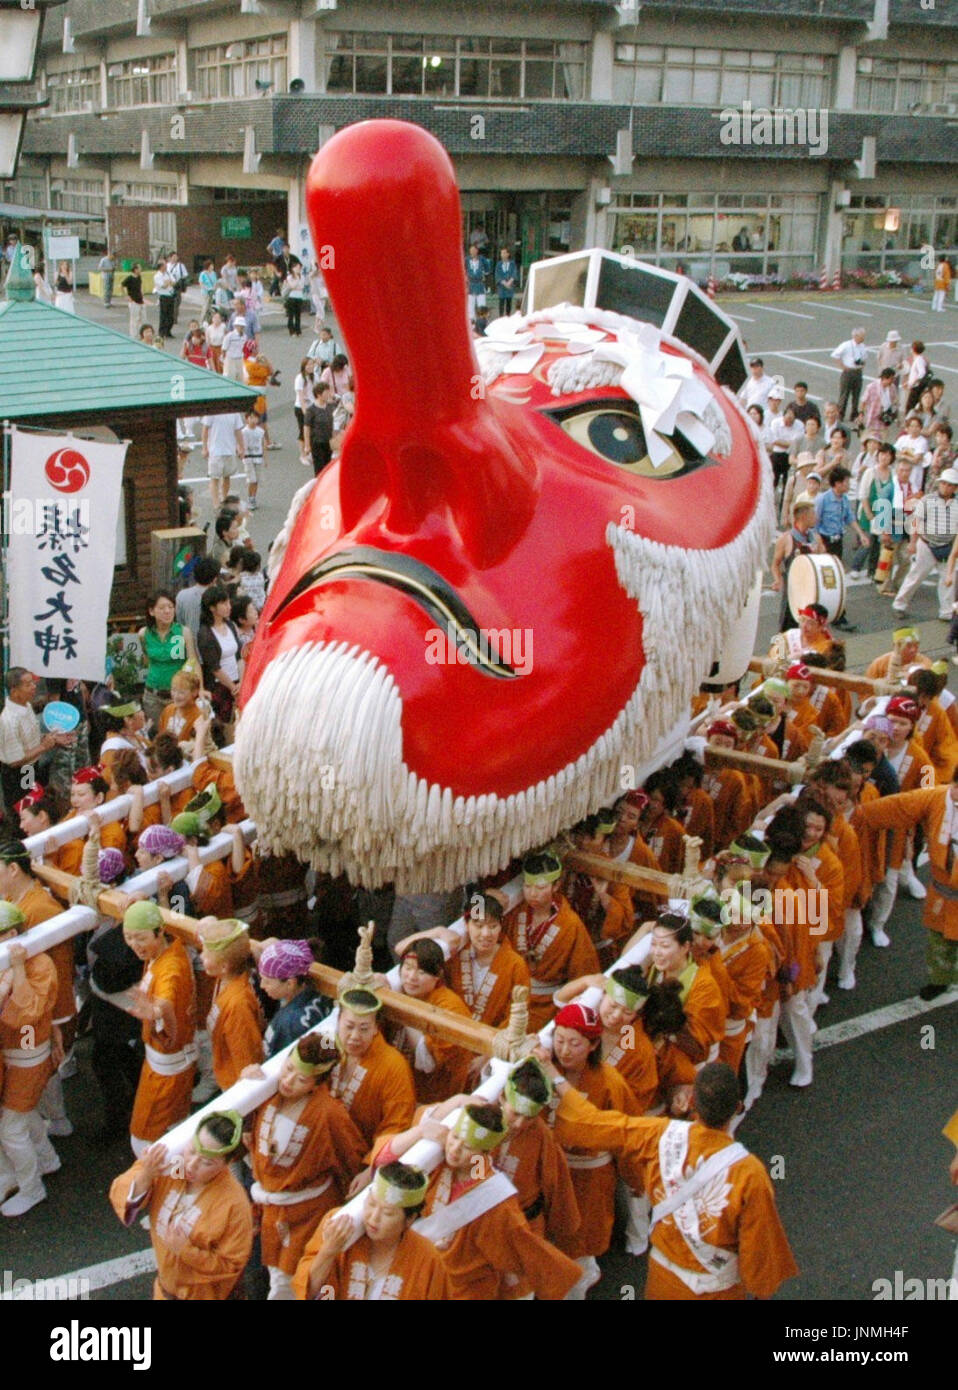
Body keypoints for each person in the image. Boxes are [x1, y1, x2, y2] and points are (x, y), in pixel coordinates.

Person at [541, 1057, 798, 1300]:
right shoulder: (750, 1173)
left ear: (691, 1102)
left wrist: (552, 1073)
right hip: (717, 1286)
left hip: (664, 1277)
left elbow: (591, 1122)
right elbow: (760, 1250)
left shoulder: (659, 1134)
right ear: (736, 1108)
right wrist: (759, 1285)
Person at [247, 1035, 366, 1299]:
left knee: (289, 1282)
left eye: (301, 1079)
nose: (288, 1081)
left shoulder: (329, 1113)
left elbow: (352, 1159)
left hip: (307, 1212)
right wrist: (246, 1083)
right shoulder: (267, 1093)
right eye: (288, 1070)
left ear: (316, 1084)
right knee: (269, 1274)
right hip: (270, 1207)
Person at [110, 1110, 253, 1300]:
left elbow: (231, 1265)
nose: (192, 1165)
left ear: (228, 1162)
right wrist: (146, 1174)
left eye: (207, 1162)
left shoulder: (234, 1204)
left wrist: (186, 1251)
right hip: (165, 1291)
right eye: (192, 1151)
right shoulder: (173, 1166)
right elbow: (122, 1190)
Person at [857, 769, 958, 999]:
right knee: (938, 942)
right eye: (955, 787)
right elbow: (900, 806)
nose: (956, 794)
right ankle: (939, 980)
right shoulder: (937, 797)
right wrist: (858, 814)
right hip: (942, 892)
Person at [293, 1162, 452, 1301]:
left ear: (409, 1219)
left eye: (387, 1213)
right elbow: (307, 1292)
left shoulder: (427, 1259)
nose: (373, 1218)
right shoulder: (340, 1225)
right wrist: (329, 1250)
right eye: (371, 1203)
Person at [120, 901, 197, 1156]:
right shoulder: (169, 950)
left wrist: (155, 1011)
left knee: (142, 1138)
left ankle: (160, 1184)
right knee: (177, 1123)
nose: (134, 945)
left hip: (165, 1066)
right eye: (128, 937)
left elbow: (167, 996)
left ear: (160, 931)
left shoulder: (171, 967)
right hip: (176, 1057)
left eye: (140, 938)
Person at [0, 899, 59, 1217]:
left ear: (10, 935)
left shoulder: (39, 965)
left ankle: (32, 1188)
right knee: (22, 1117)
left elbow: (25, 1013)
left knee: (10, 1128)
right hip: (14, 1055)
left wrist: (16, 972)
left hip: (29, 1057)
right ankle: (47, 1160)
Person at [501, 850, 599, 1030]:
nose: (533, 894)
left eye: (540, 888)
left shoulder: (571, 924)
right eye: (527, 886)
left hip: (547, 1004)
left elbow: (585, 969)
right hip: (510, 994)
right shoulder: (516, 910)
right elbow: (477, 912)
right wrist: (485, 897)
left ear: (556, 885)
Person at [329, 987, 416, 1163]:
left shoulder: (394, 1065)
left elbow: (397, 1124)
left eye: (364, 1029)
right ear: (338, 1021)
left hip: (361, 1156)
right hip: (326, 1145)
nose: (355, 1036)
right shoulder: (327, 1043)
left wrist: (371, 1165)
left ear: (376, 1028)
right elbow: (304, 1056)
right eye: (349, 1026)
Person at [197, 917, 263, 1091]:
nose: (201, 956)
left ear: (224, 966)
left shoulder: (238, 1005)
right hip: (224, 1069)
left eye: (206, 954)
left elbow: (246, 1061)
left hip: (235, 1084)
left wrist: (240, 1092)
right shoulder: (225, 978)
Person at [0, 668, 72, 810]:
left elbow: (28, 738)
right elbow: (15, 761)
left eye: (33, 682)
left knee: (35, 802)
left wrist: (52, 739)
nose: (34, 687)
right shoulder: (8, 720)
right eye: (28, 685)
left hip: (31, 767)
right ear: (14, 691)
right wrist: (44, 746)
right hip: (18, 773)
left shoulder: (26, 706)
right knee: (23, 810)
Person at [893, 467, 958, 621]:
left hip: (947, 546)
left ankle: (947, 612)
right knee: (915, 576)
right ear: (939, 484)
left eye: (950, 485)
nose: (946, 487)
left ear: (955, 488)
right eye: (944, 484)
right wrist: (913, 543)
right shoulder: (927, 500)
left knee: (948, 579)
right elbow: (916, 522)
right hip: (926, 544)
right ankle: (899, 605)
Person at [256, 938, 333, 1057]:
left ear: (290, 983)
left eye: (267, 981)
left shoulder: (291, 1024)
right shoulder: (319, 993)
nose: (262, 986)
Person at [197, 585, 241, 727]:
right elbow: (214, 666)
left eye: (229, 602)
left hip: (238, 680)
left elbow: (239, 655)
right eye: (224, 603)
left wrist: (241, 682)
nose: (229, 606)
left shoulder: (230, 625)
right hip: (219, 687)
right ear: (212, 608)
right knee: (223, 724)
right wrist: (232, 687)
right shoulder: (205, 633)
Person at [201, 412, 244, 511]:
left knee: (227, 476)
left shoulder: (234, 413)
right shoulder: (211, 412)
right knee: (214, 478)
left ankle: (224, 499)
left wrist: (241, 447)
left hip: (230, 450)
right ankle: (216, 503)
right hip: (215, 451)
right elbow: (205, 429)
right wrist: (204, 447)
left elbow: (238, 431)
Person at [175, 556, 220, 642]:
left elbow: (179, 622)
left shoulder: (182, 594)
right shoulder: (215, 597)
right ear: (214, 579)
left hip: (186, 643)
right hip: (209, 644)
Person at [831, 327, 868, 422]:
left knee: (856, 394)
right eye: (861, 336)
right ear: (855, 336)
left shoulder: (863, 346)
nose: (863, 338)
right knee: (844, 394)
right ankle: (840, 413)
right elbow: (835, 355)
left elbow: (864, 358)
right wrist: (842, 366)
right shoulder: (846, 345)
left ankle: (854, 414)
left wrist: (862, 364)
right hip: (848, 371)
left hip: (858, 371)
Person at [305, 380, 336, 476]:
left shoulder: (331, 406)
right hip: (317, 442)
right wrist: (307, 445)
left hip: (329, 442)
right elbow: (306, 427)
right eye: (326, 392)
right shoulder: (311, 410)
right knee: (319, 470)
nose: (328, 394)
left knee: (329, 468)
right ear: (318, 394)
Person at [464, 243, 491, 325]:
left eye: (474, 250)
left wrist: (485, 275)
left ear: (477, 251)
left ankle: (482, 321)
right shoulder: (467, 260)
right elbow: (463, 269)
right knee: (470, 305)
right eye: (471, 250)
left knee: (481, 304)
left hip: (480, 284)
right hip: (471, 284)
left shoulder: (482, 259)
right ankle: (472, 323)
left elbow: (487, 269)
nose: (472, 252)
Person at [282, 263, 307, 336]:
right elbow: (292, 286)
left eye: (299, 268)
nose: (298, 269)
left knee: (298, 315)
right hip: (292, 297)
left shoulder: (302, 277)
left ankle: (298, 330)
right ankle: (291, 330)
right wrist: (296, 278)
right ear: (293, 268)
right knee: (291, 315)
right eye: (296, 267)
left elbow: (302, 287)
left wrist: (297, 282)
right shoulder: (290, 277)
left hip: (299, 297)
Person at [494, 246, 519, 316]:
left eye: (504, 253)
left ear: (508, 254)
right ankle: (501, 317)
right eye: (501, 253)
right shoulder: (498, 264)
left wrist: (510, 282)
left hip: (510, 287)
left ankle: (508, 316)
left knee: (509, 303)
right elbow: (497, 275)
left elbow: (514, 273)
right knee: (501, 303)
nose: (503, 255)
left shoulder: (512, 264)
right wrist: (504, 283)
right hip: (502, 287)